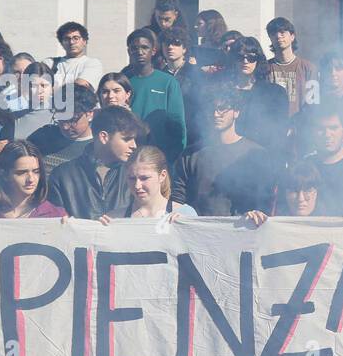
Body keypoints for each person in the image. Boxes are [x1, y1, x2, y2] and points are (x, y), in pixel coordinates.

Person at [171, 85, 275, 216]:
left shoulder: (256, 154)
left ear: (236, 112)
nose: (215, 114)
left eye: (222, 109)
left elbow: (265, 199)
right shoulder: (190, 155)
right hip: (198, 232)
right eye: (212, 109)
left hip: (242, 231)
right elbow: (177, 198)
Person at [48, 106, 146, 219]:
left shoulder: (138, 174)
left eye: (134, 139)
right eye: (126, 139)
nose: (134, 145)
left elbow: (154, 211)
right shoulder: (62, 176)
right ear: (103, 137)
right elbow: (54, 226)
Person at [124, 27, 187, 163]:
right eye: (134, 48)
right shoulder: (122, 81)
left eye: (144, 47)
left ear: (153, 51)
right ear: (129, 51)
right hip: (128, 154)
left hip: (159, 155)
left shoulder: (168, 82)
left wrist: (177, 155)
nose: (139, 52)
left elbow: (178, 123)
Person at [221, 37, 290, 156]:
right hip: (228, 156)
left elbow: (279, 133)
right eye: (240, 57)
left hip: (262, 155)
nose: (245, 61)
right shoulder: (223, 91)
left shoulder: (275, 93)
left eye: (251, 57)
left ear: (258, 60)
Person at [0, 141, 68, 219]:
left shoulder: (55, 216)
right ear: (4, 175)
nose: (31, 179)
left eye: (36, 171)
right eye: (21, 173)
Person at [100, 146, 197, 222]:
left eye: (144, 178)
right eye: (132, 178)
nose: (137, 185)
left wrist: (185, 228)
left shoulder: (184, 214)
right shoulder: (114, 219)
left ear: (162, 176)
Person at [28, 82, 98, 174]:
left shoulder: (99, 147)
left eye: (72, 120)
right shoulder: (43, 136)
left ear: (90, 114)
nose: (65, 127)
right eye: (61, 119)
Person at [265, 16, 319, 118]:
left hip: (300, 128)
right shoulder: (265, 68)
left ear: (292, 36)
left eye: (282, 32)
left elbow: (313, 103)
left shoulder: (308, 68)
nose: (278, 36)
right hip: (273, 127)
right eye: (273, 33)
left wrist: (297, 124)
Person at [243, 159, 323, 227]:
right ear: (286, 194)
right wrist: (251, 222)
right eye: (294, 191)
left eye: (307, 190)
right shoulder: (270, 221)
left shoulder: (330, 224)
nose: (300, 199)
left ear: (316, 193)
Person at [51, 21, 104, 89]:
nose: (71, 42)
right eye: (67, 39)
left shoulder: (93, 63)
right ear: (61, 43)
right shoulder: (50, 63)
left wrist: (50, 89)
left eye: (76, 38)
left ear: (84, 41)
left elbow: (78, 88)